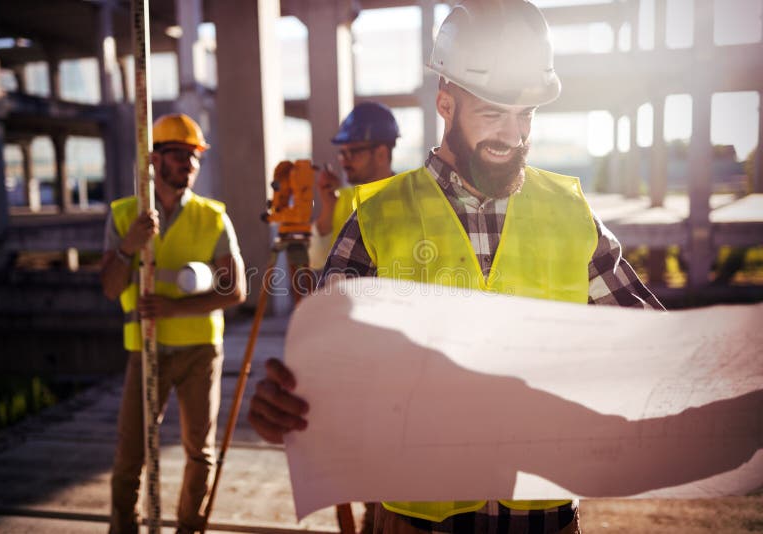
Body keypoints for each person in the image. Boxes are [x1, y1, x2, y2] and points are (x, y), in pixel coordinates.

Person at [248, 1, 664, 533]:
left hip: (543, 517)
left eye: (525, 115)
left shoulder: (568, 211)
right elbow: (326, 371)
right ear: (446, 103)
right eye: (493, 112)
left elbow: (652, 343)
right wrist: (285, 406)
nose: (513, 135)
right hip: (419, 517)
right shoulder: (380, 218)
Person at [100, 113, 246, 534]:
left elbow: (235, 291)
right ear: (155, 160)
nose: (190, 165)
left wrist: (173, 308)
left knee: (200, 453)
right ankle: (123, 527)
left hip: (200, 351)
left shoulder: (213, 217)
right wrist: (129, 246)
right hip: (144, 351)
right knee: (130, 455)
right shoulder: (125, 215)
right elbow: (110, 289)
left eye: (194, 157)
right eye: (179, 156)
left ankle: (188, 529)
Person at [309, 102, 401, 268]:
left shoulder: (408, 198)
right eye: (342, 152)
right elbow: (315, 261)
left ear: (381, 153)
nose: (345, 160)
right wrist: (328, 208)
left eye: (353, 151)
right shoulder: (340, 199)